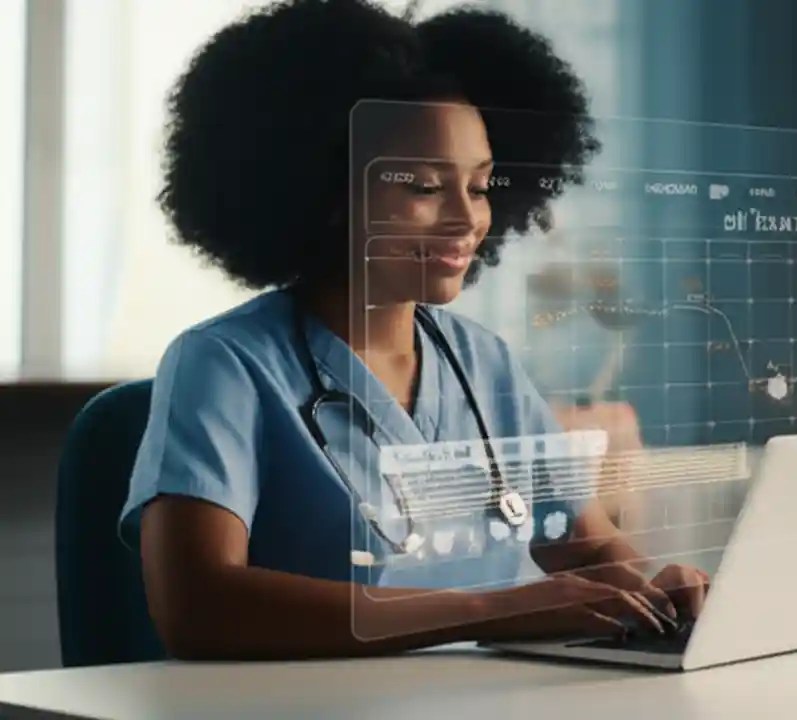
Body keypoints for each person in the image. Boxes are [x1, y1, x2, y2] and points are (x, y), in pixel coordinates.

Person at [121, 0, 708, 661]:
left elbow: (585, 545)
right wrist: (496, 610)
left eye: (481, 186)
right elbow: (200, 607)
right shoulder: (225, 364)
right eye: (427, 187)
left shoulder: (483, 363)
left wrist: (660, 593)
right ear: (329, 188)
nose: (466, 219)